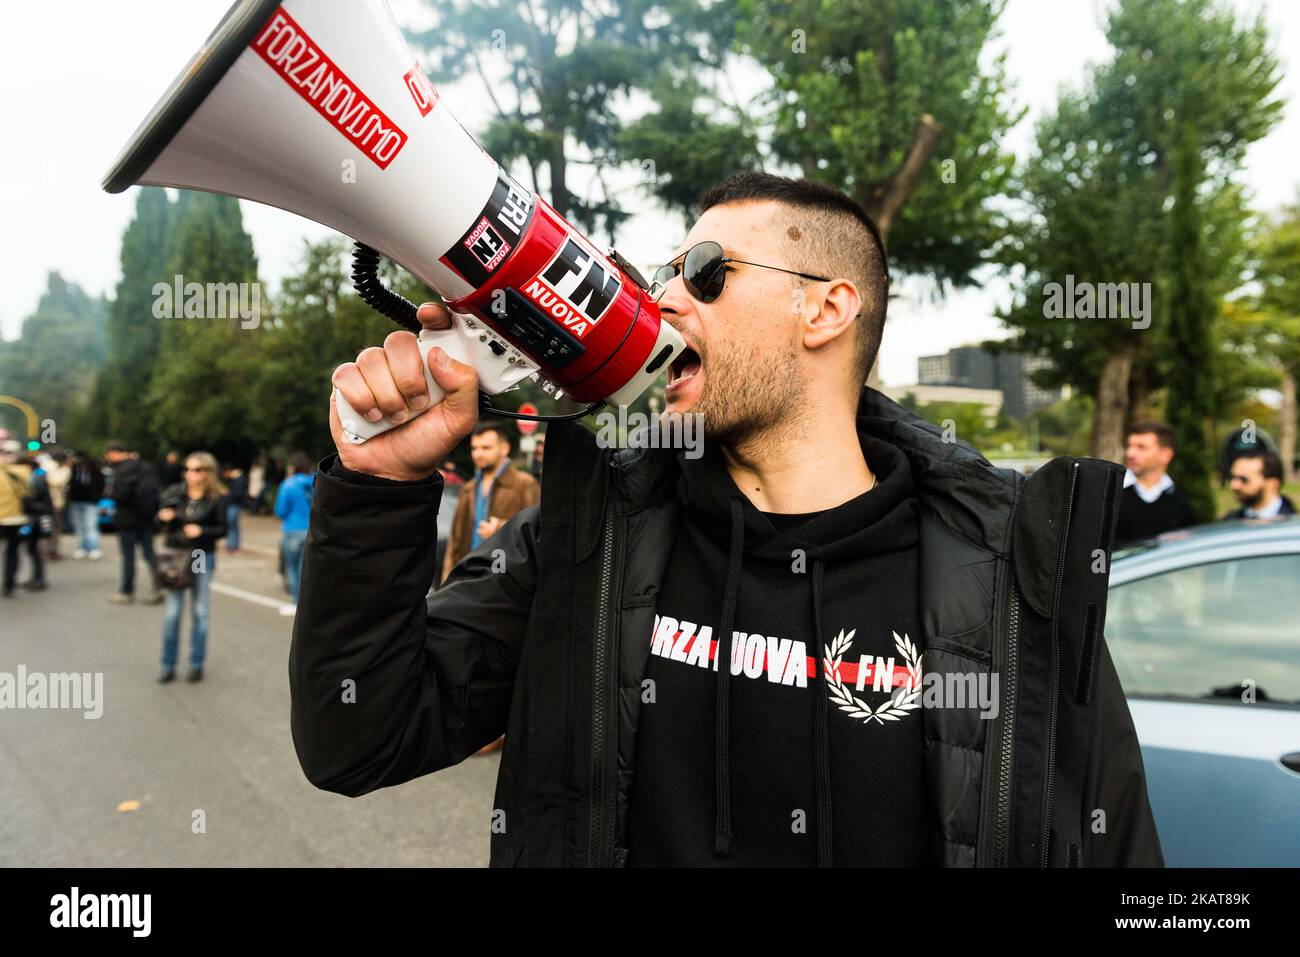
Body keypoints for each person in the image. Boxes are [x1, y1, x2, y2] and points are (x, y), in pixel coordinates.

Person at [290, 172, 1162, 867]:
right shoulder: (593, 541)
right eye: (668, 273)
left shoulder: (1013, 582)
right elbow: (356, 737)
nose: (664, 299)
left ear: (827, 308)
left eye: (706, 270)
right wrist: (377, 486)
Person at [156, 451, 228, 683]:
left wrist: (202, 531)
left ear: (208, 472)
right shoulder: (175, 493)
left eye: (196, 469)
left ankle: (196, 663)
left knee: (199, 611)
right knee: (172, 613)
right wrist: (163, 517)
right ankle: (168, 664)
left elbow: (223, 529)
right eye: (187, 469)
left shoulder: (216, 497)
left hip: (200, 555)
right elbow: (157, 520)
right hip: (175, 554)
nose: (190, 474)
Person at [440, 421, 539, 583]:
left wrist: (501, 530)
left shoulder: (525, 484)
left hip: (506, 583)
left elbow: (538, 534)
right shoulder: (468, 488)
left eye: (486, 448)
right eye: (475, 448)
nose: (478, 454)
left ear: (504, 449)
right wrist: (447, 581)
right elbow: (455, 542)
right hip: (467, 580)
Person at [1114, 421, 1200, 547]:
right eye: (1129, 446)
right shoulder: (1110, 497)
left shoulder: (1183, 503)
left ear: (1165, 455)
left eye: (1141, 447)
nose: (1130, 454)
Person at [105, 440, 164, 606]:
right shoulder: (145, 466)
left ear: (114, 453)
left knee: (128, 556)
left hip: (127, 519)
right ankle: (160, 586)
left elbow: (120, 496)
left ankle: (126, 591)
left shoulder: (121, 470)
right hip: (146, 518)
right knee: (149, 553)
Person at [274, 452, 315, 617]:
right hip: (312, 529)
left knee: (292, 568)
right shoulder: (315, 481)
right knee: (306, 569)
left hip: (292, 530)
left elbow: (280, 510)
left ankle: (295, 602)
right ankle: (309, 603)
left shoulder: (288, 484)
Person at [0, 440, 35, 597]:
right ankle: (9, 585)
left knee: (12, 551)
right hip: (17, 519)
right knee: (12, 552)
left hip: (3, 519)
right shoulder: (25, 472)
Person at [1223, 450, 1296, 520]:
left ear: (1272, 484)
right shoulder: (1230, 521)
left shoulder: (1292, 525)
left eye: (1244, 479)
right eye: (1233, 478)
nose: (1234, 485)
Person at [67, 450, 106, 560]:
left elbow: (101, 484)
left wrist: (97, 498)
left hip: (90, 502)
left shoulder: (94, 470)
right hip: (75, 501)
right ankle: (82, 547)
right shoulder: (73, 469)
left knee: (91, 525)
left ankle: (94, 548)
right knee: (79, 526)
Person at [39, 451, 70, 561]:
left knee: (47, 527)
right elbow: (56, 481)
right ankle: (51, 551)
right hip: (53, 502)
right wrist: (66, 470)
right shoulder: (52, 467)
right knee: (54, 528)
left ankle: (47, 550)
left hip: (45, 502)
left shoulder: (44, 466)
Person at [223, 465, 248, 552]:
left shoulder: (238, 480)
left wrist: (228, 494)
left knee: (231, 525)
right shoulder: (237, 480)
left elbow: (238, 494)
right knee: (233, 526)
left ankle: (232, 545)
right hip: (234, 504)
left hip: (234, 504)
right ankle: (233, 545)